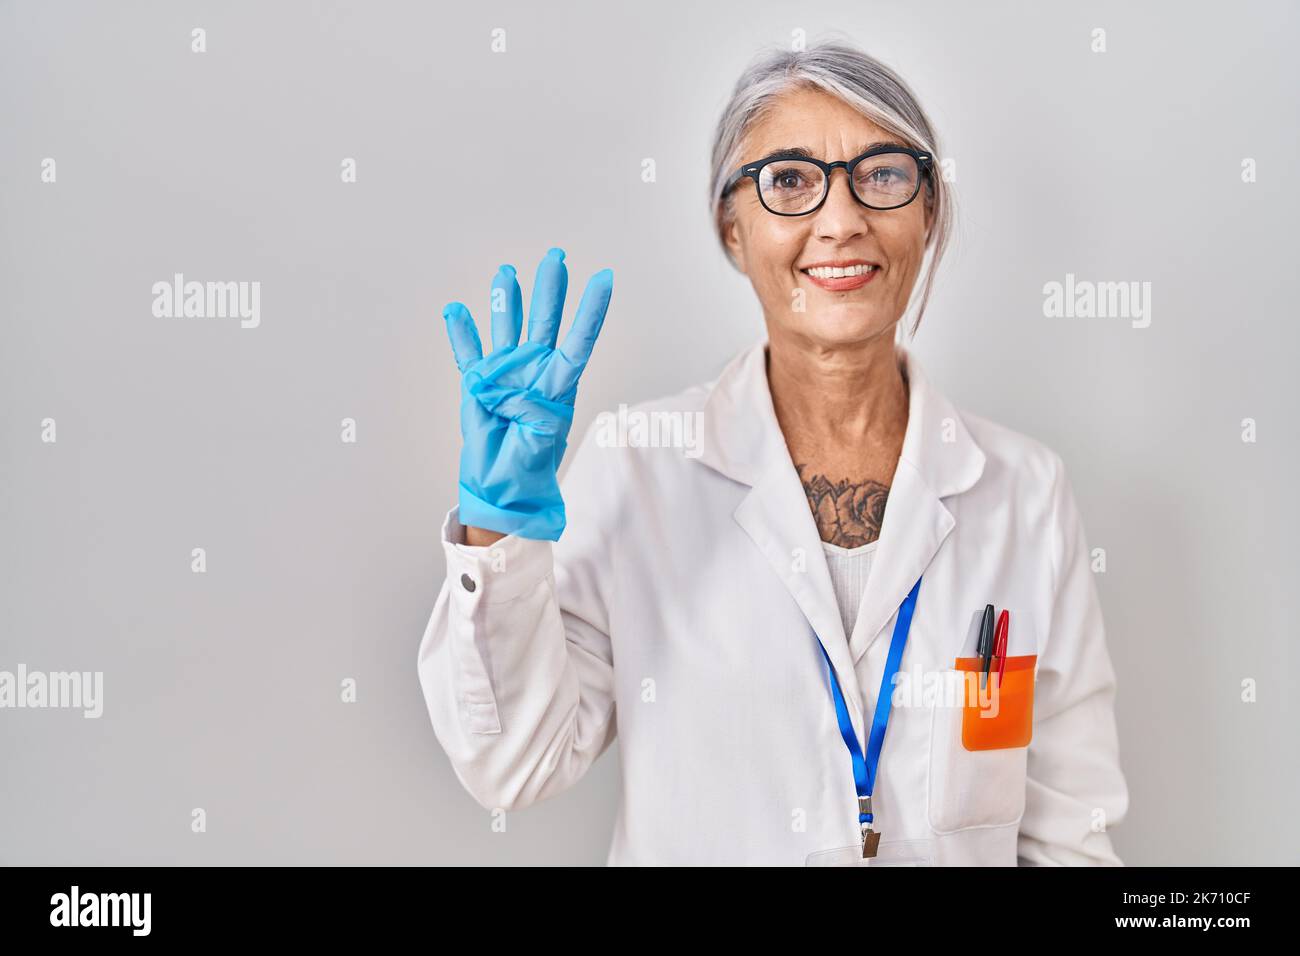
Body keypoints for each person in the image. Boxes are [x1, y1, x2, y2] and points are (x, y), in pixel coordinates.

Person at [417, 39, 1128, 866]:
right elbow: (513, 762)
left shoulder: (1025, 493)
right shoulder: (640, 466)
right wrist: (497, 538)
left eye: (883, 174)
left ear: (928, 212)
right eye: (789, 180)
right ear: (732, 225)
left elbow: (1070, 837)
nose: (841, 220)